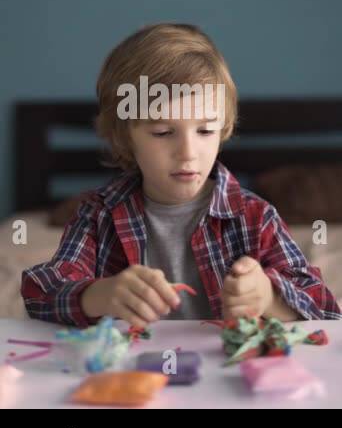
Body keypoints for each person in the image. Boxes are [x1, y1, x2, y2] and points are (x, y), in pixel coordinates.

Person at [21, 23, 341, 326]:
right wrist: (98, 295)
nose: (188, 153)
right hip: (129, 375)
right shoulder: (97, 215)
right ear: (124, 136)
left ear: (223, 129)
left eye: (204, 130)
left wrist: (269, 298)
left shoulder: (256, 219)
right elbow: (39, 294)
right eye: (162, 132)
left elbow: (326, 310)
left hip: (228, 378)